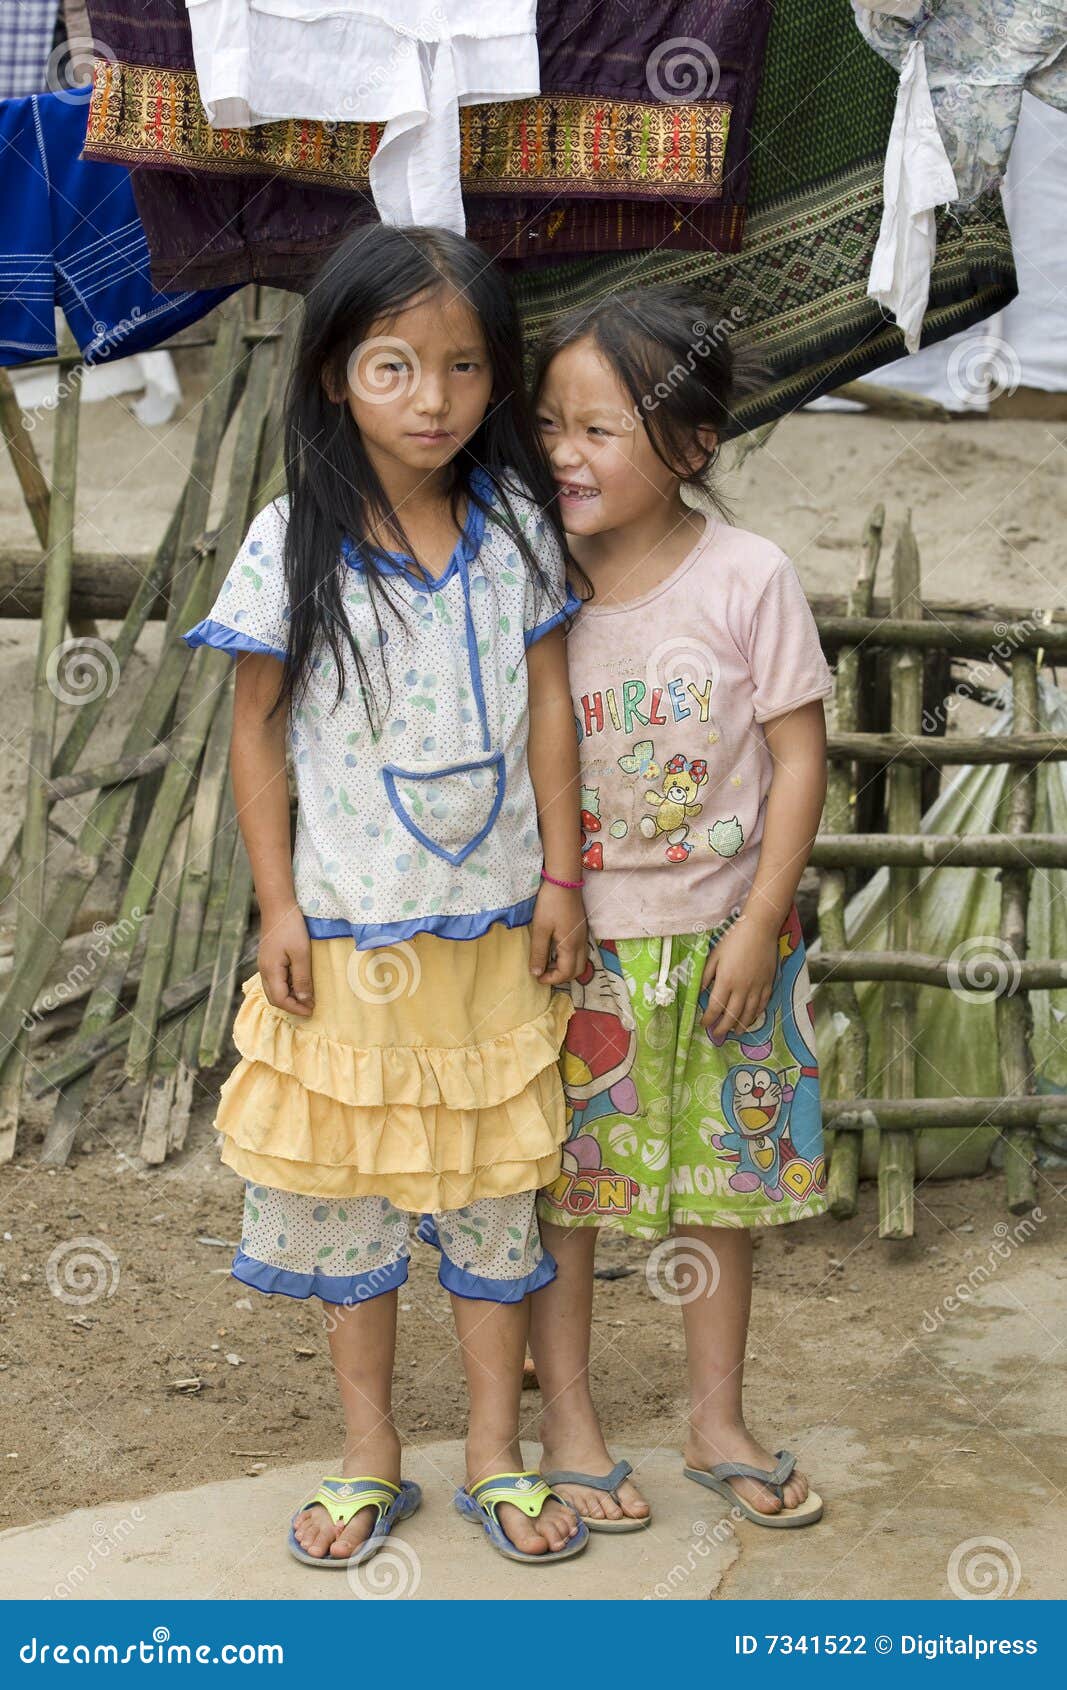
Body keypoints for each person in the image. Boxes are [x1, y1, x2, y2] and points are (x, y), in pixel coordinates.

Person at [183, 223, 590, 1568]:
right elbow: (255, 729)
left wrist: (559, 877)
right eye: (395, 365)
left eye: (464, 367)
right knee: (349, 1195)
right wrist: (279, 904)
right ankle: (368, 1455)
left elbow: (544, 701)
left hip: (491, 937)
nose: (432, 399)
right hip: (350, 937)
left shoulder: (514, 528)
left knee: (490, 1197)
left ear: (496, 380)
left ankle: (493, 1450)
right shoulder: (289, 538)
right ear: (330, 379)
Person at [528, 285, 832, 1532]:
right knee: (570, 1193)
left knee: (721, 1191)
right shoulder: (535, 578)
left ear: (691, 446)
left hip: (725, 944)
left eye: (597, 431)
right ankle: (571, 1420)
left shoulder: (747, 576)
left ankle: (716, 1415)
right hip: (583, 952)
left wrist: (762, 918)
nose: (562, 453)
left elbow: (801, 757)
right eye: (549, 425)